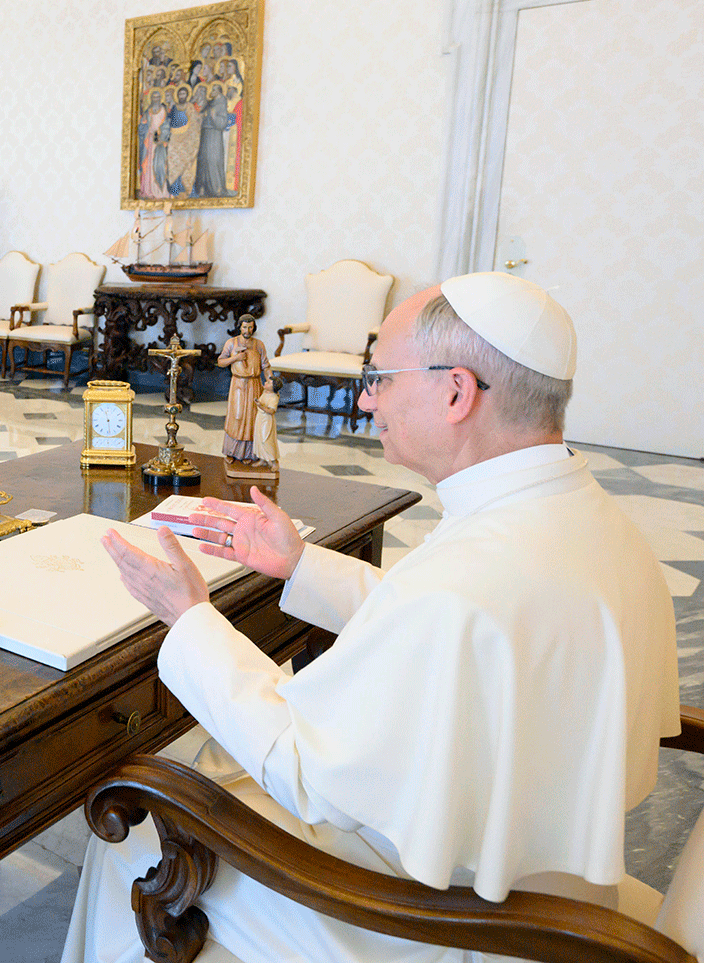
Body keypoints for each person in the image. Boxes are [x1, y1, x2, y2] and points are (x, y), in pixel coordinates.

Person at [65, 272, 680, 963]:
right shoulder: (584, 517)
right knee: (210, 765)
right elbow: (449, 632)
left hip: (449, 923)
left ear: (456, 393)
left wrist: (190, 617)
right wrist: (301, 566)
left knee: (134, 836)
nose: (365, 399)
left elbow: (305, 771)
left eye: (380, 377)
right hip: (545, 870)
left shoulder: (464, 584)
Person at [217, 313, 270, 463]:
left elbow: (266, 365)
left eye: (250, 327)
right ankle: (231, 451)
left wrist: (270, 380)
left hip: (254, 384)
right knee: (237, 416)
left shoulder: (259, 344)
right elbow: (221, 362)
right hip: (238, 384)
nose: (247, 330)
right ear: (239, 327)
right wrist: (236, 358)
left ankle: (248, 454)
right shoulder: (231, 343)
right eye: (245, 327)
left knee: (251, 418)